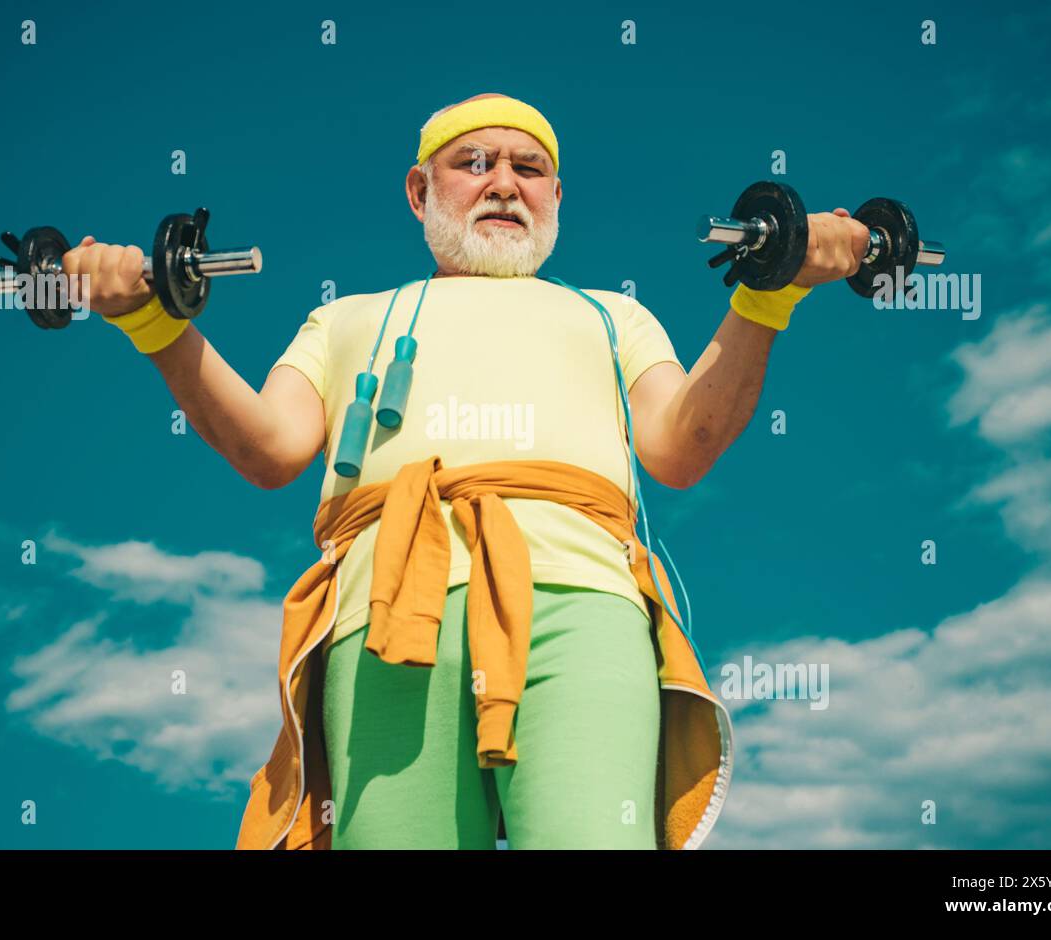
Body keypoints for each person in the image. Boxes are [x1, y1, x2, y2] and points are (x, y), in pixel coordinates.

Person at [63, 92, 870, 849]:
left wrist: (773, 293)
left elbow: (681, 449)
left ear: (557, 194)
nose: (504, 184)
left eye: (529, 168)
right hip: (385, 615)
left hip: (581, 605)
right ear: (420, 191)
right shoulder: (345, 319)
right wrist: (148, 317)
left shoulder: (611, 314)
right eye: (475, 162)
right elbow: (269, 449)